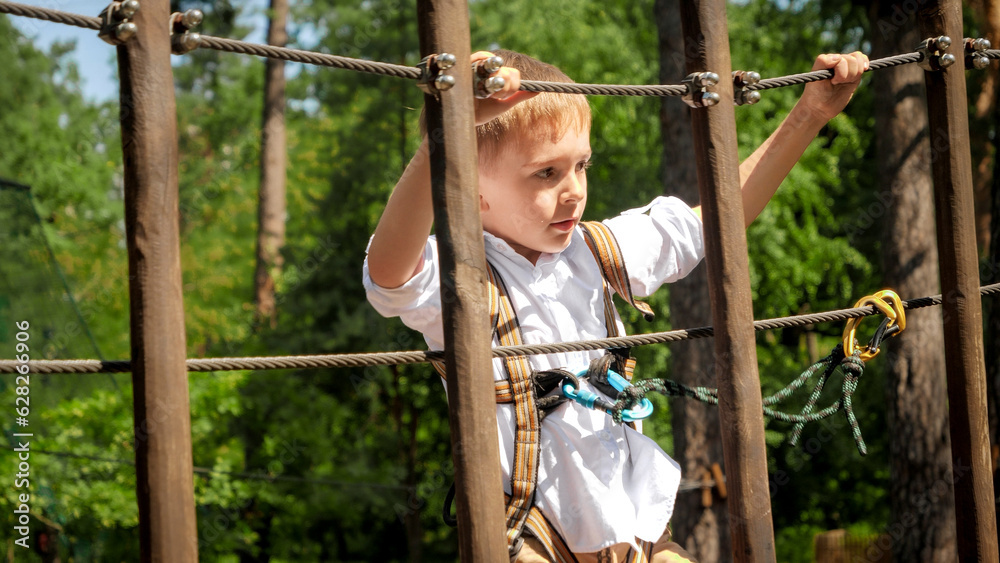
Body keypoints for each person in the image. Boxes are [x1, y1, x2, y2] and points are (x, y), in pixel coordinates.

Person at [363, 48, 868, 562]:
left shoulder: (597, 251)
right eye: (546, 174)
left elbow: (716, 221)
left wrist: (810, 115)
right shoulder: (464, 280)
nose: (574, 191)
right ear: (469, 190)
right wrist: (440, 148)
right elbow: (389, 276)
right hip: (530, 536)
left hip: (636, 530)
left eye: (580, 165)